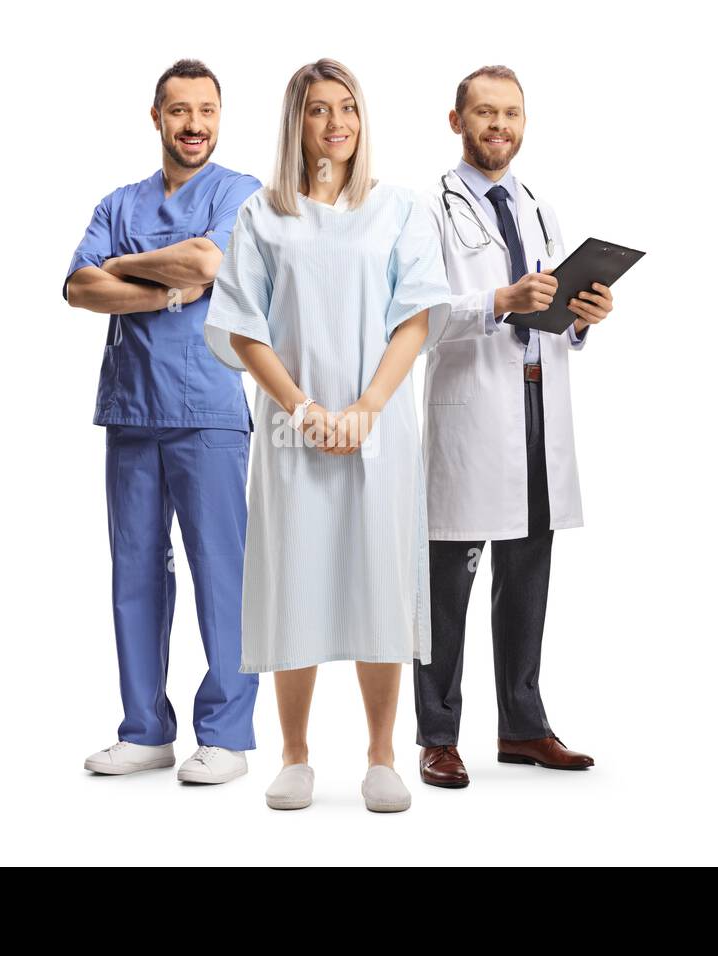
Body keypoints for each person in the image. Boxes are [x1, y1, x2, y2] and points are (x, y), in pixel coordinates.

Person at [203, 58, 452, 812]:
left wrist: (369, 405)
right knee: (294, 576)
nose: (336, 122)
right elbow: (244, 328)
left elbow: (414, 319)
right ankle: (296, 755)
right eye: (319, 109)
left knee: (381, 578)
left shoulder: (399, 208)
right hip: (294, 428)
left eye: (347, 107)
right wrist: (305, 408)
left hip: (377, 426)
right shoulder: (263, 215)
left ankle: (381, 755)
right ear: (296, 121)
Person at [415, 65, 616, 788]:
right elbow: (417, 319)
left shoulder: (537, 208)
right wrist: (497, 300)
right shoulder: (427, 211)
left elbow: (554, 320)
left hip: (536, 407)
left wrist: (581, 319)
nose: (499, 126)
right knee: (447, 585)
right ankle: (438, 735)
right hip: (470, 419)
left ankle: (524, 728)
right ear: (456, 121)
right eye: (485, 114)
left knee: (528, 572)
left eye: (511, 115)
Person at [63, 59, 262, 785]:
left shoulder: (239, 193)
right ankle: (145, 731)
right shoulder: (120, 200)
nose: (194, 125)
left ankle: (228, 734)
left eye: (206, 110)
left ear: (219, 117)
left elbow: (209, 259)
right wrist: (167, 290)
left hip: (207, 406)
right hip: (131, 407)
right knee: (136, 572)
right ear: (157, 118)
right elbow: (80, 287)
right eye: (180, 111)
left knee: (222, 570)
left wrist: (128, 271)